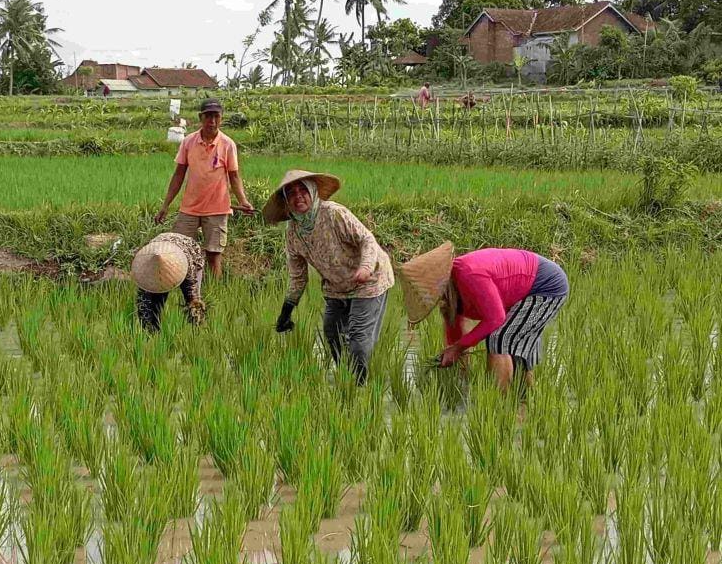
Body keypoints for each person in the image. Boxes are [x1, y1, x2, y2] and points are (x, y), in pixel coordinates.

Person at [266, 170, 394, 385]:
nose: (298, 197)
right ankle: (346, 378)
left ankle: (359, 388)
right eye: (292, 193)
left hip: (369, 281)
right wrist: (286, 311)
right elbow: (298, 276)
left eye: (303, 190)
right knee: (332, 333)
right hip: (336, 286)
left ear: (313, 192)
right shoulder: (293, 232)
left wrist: (365, 268)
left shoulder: (334, 214)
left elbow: (367, 240)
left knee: (358, 340)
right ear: (287, 202)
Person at [396, 243, 569, 390]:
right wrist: (459, 367)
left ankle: (501, 405)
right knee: (513, 343)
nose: (437, 300)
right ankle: (524, 402)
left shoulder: (469, 275)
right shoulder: (451, 297)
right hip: (523, 290)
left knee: (499, 339)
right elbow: (456, 335)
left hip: (546, 285)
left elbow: (495, 318)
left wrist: (457, 348)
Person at [155, 98, 254, 277]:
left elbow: (234, 176)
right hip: (190, 208)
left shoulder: (227, 144)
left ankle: (213, 294)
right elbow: (178, 175)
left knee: (214, 255)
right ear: (201, 117)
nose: (212, 121)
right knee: (182, 251)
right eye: (208, 116)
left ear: (221, 118)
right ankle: (187, 292)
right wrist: (165, 205)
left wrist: (243, 201)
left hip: (217, 209)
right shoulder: (188, 142)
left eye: (216, 117)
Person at [131, 232, 206, 333]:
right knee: (148, 303)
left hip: (188, 250)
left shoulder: (187, 266)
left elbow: (194, 300)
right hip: (158, 249)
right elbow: (143, 304)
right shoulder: (145, 265)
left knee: (193, 303)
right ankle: (151, 333)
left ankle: (197, 332)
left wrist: (196, 316)